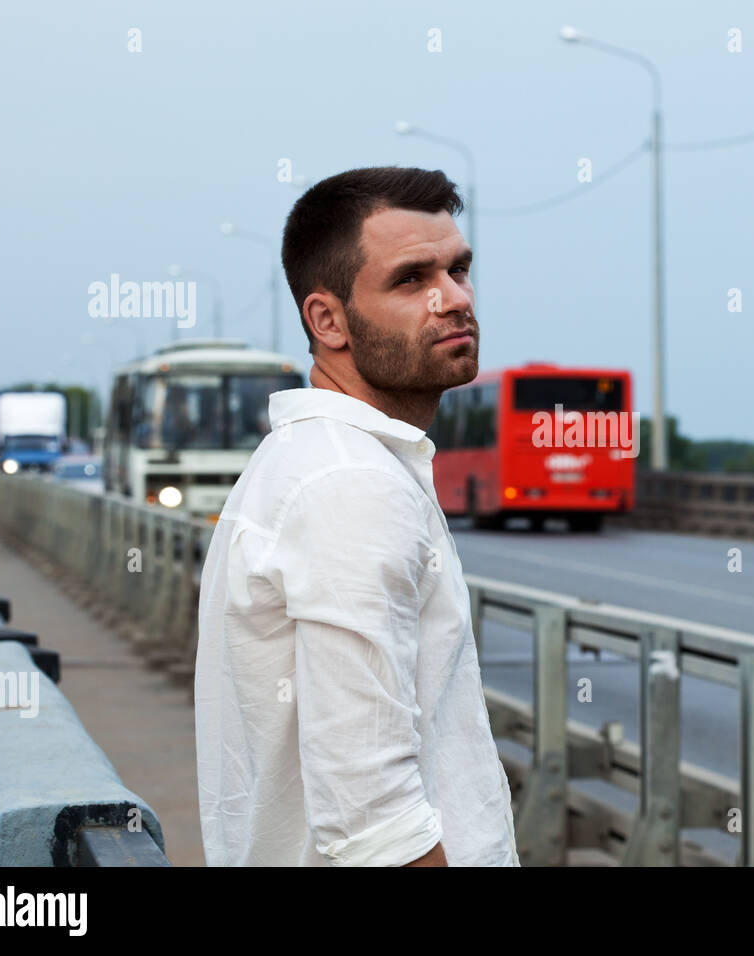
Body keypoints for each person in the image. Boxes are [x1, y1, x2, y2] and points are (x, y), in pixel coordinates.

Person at [194, 167, 518, 867]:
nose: (454, 298)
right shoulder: (348, 484)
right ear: (328, 320)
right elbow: (373, 820)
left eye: (459, 269)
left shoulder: (319, 462)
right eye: (412, 279)